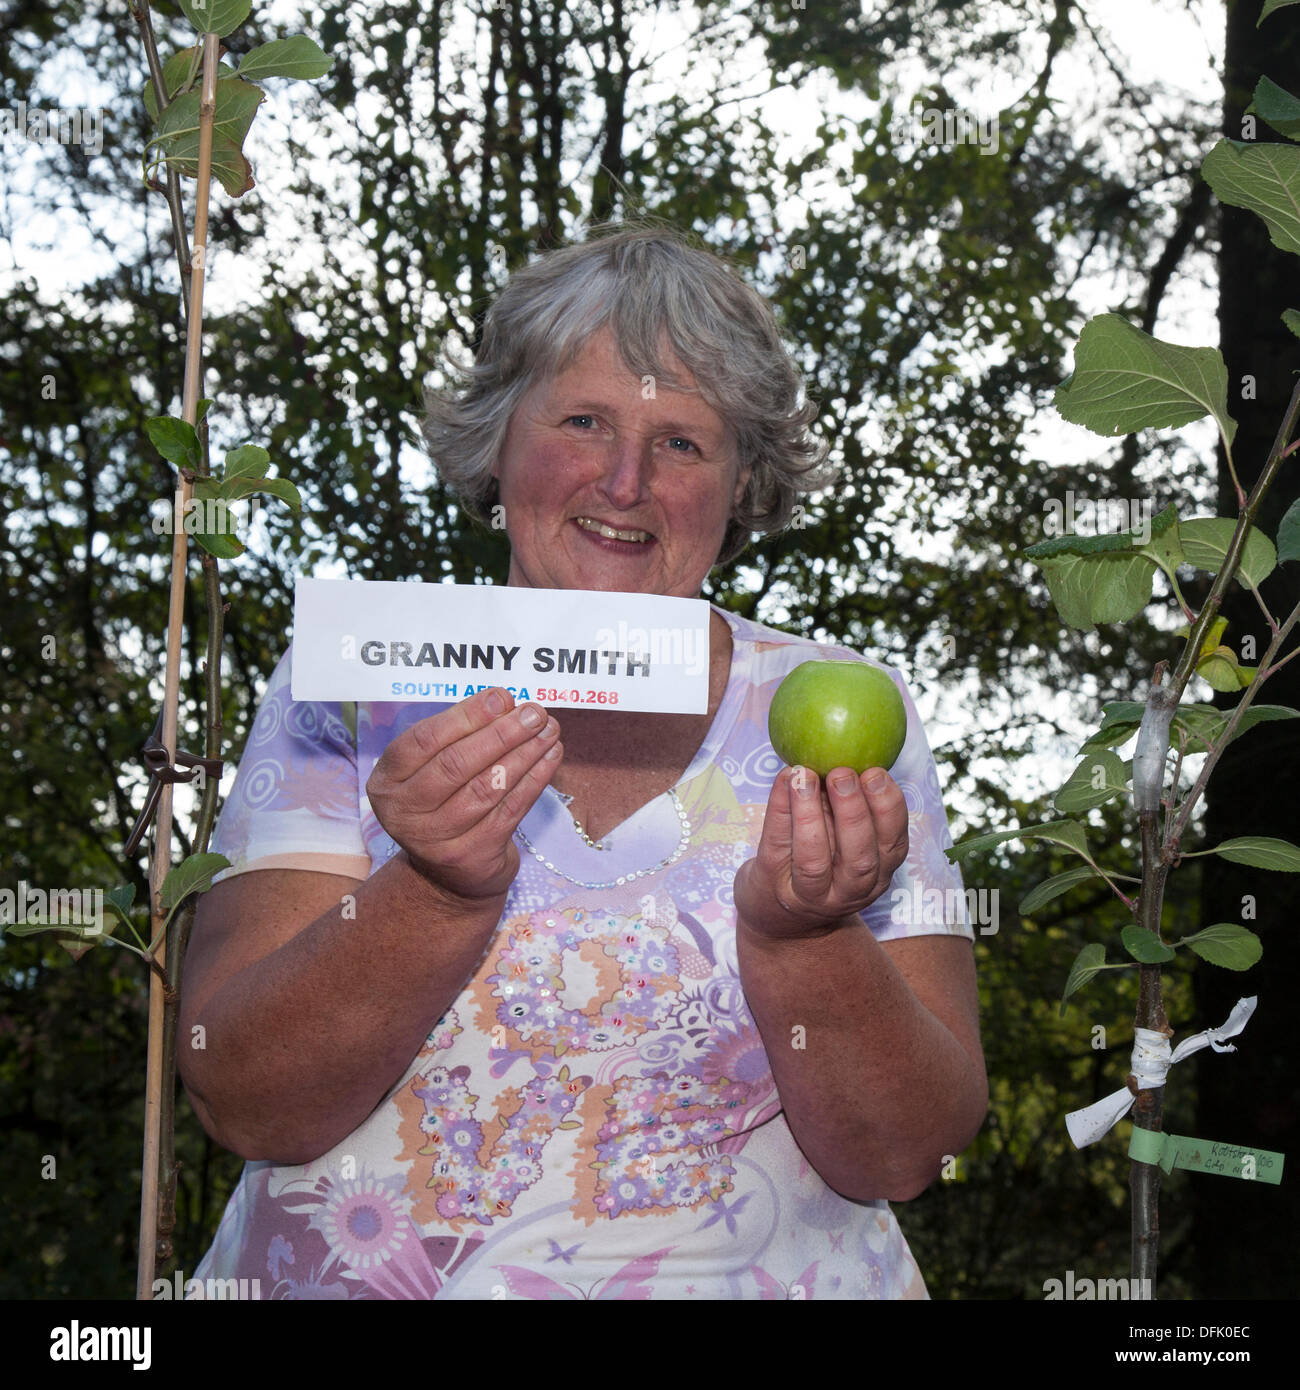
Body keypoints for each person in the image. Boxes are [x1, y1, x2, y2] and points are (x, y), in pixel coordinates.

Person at [180, 223, 987, 1300]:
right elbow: (245, 1099)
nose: (624, 479)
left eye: (683, 443)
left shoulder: (839, 706)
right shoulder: (360, 679)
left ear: (740, 483)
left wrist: (804, 935)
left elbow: (906, 1153)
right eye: (583, 420)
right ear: (498, 443)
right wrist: (427, 889)